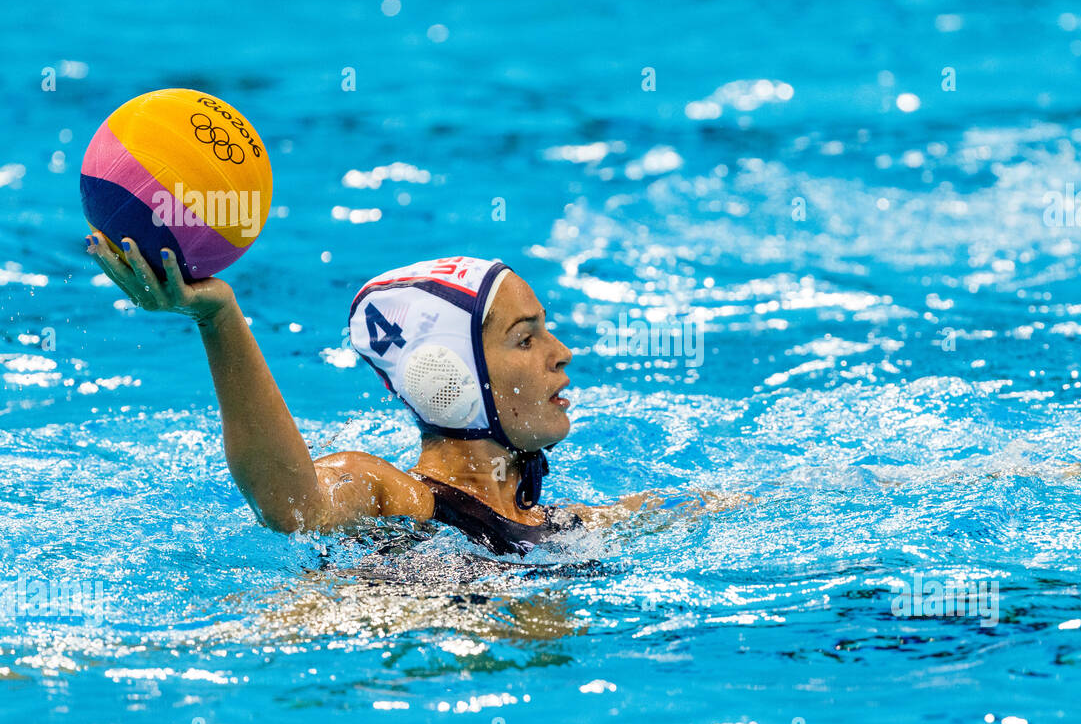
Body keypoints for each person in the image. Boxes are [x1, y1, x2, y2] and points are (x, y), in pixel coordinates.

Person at [82, 231, 680, 556]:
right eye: (526, 339)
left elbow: (691, 509)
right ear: (452, 380)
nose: (562, 352)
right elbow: (291, 505)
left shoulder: (562, 527)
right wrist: (218, 318)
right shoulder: (396, 496)